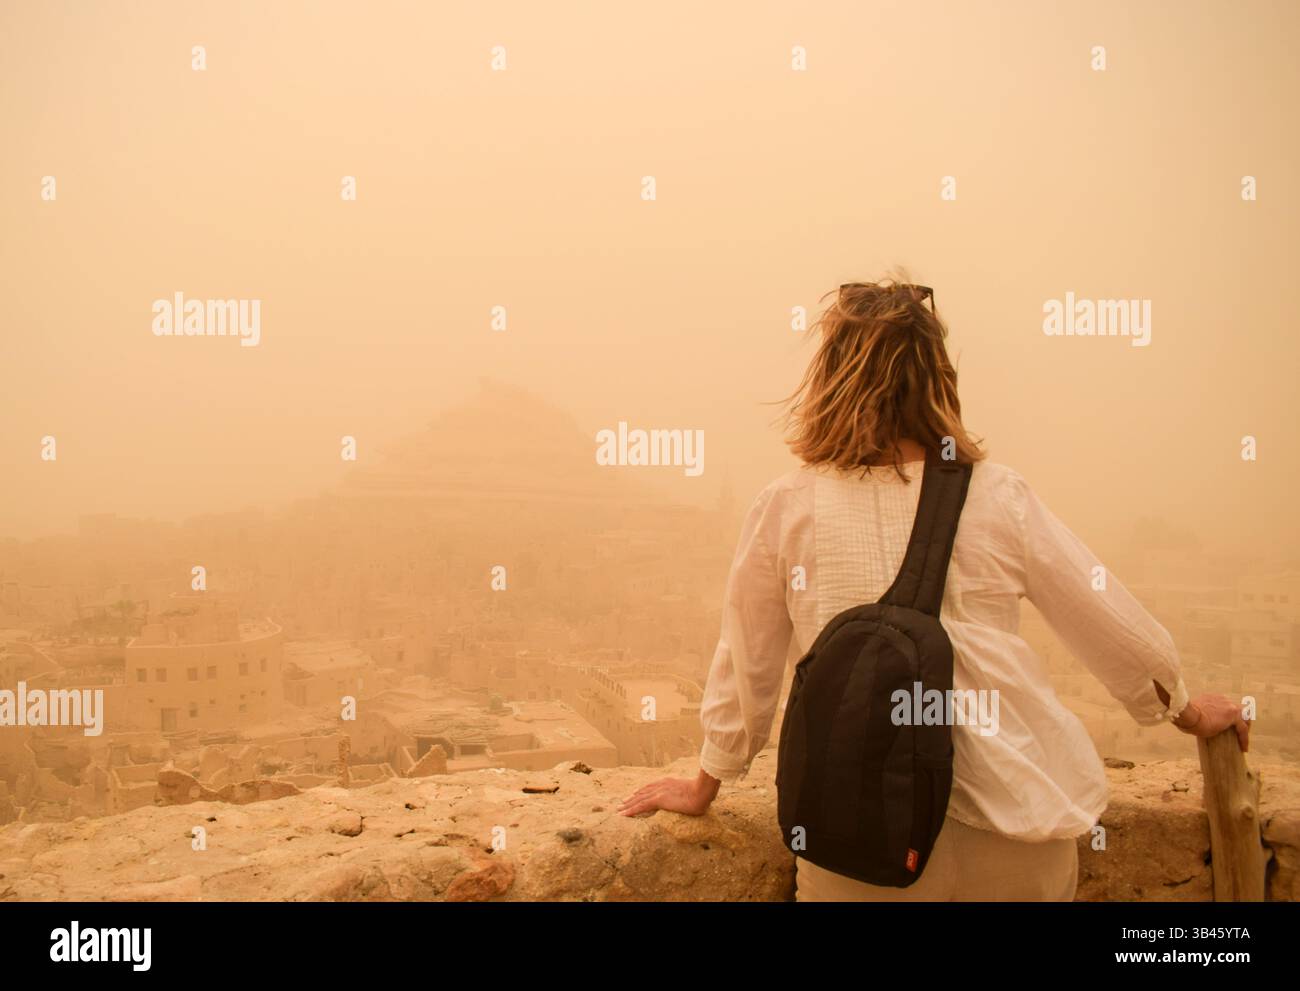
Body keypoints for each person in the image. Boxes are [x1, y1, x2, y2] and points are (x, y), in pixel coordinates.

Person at [618, 275, 1250, 901]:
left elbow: (746, 662)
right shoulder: (998, 496)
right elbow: (1102, 615)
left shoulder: (788, 507)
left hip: (860, 845)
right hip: (1014, 835)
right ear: (939, 378)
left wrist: (710, 778)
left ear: (830, 380)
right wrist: (1187, 710)